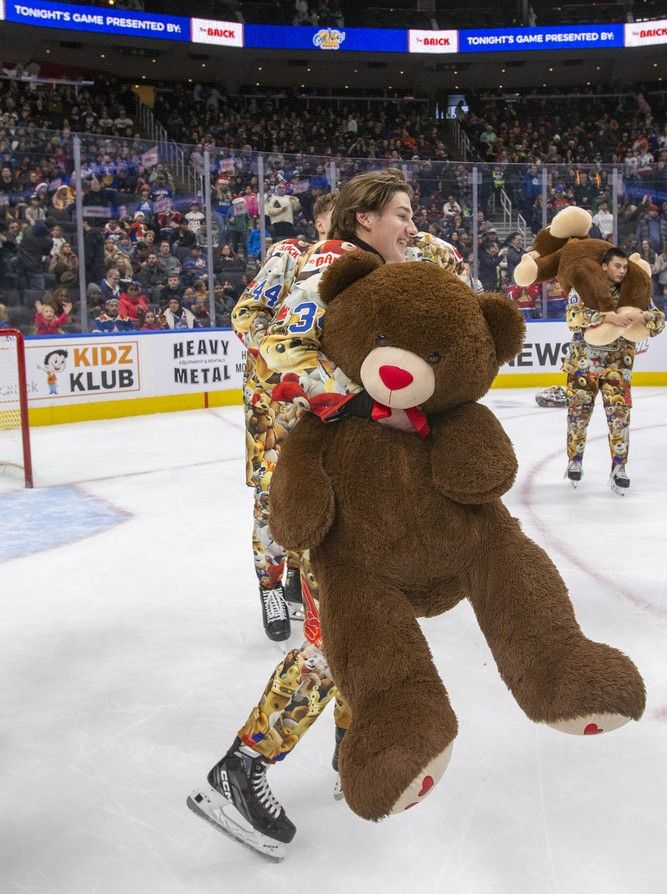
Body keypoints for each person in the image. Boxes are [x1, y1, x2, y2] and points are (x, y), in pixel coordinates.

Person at [190, 169, 427, 860]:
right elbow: (279, 344)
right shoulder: (328, 269)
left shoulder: (374, 272)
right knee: (335, 640)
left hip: (349, 486)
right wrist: (357, 404)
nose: (414, 226)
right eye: (404, 214)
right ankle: (242, 768)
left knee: (367, 624)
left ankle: (350, 750)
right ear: (365, 222)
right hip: (325, 486)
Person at [564, 247, 665, 495]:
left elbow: (658, 320)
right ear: (604, 266)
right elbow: (573, 317)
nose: (621, 271)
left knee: (619, 418)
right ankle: (575, 459)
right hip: (583, 366)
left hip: (618, 368)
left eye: (625, 267)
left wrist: (647, 319)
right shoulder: (584, 287)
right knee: (578, 415)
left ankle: (619, 467)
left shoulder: (635, 292)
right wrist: (606, 317)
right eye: (617, 266)